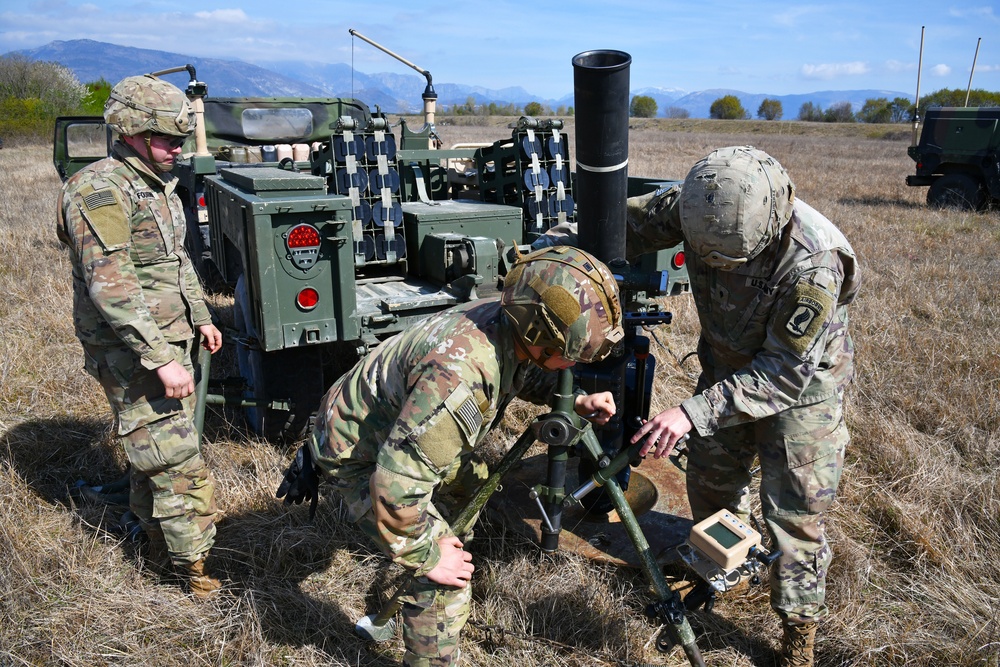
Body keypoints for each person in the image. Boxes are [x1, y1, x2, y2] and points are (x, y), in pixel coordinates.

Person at [277, 245, 625, 667]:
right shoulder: (459, 381)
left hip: (394, 428)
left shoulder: (506, 320)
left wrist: (575, 401)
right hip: (358, 454)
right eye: (571, 354)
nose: (573, 363)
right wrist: (430, 556)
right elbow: (393, 488)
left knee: (474, 485)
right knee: (443, 583)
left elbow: (525, 372)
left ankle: (449, 558)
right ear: (537, 335)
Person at [625, 146, 859, 666]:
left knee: (793, 515)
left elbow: (781, 375)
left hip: (802, 393)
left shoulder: (814, 264)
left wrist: (690, 413)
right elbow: (629, 224)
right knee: (711, 480)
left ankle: (798, 636)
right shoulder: (701, 205)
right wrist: (562, 248)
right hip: (727, 372)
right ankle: (720, 571)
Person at [56, 74, 224, 598]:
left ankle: (154, 541)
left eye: (180, 139)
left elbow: (174, 261)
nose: (177, 149)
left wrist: (200, 316)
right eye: (167, 139)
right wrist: (159, 358)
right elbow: (112, 287)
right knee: (177, 458)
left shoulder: (158, 185)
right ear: (129, 131)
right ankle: (189, 570)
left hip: (167, 339)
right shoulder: (99, 190)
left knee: (153, 446)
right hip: (131, 349)